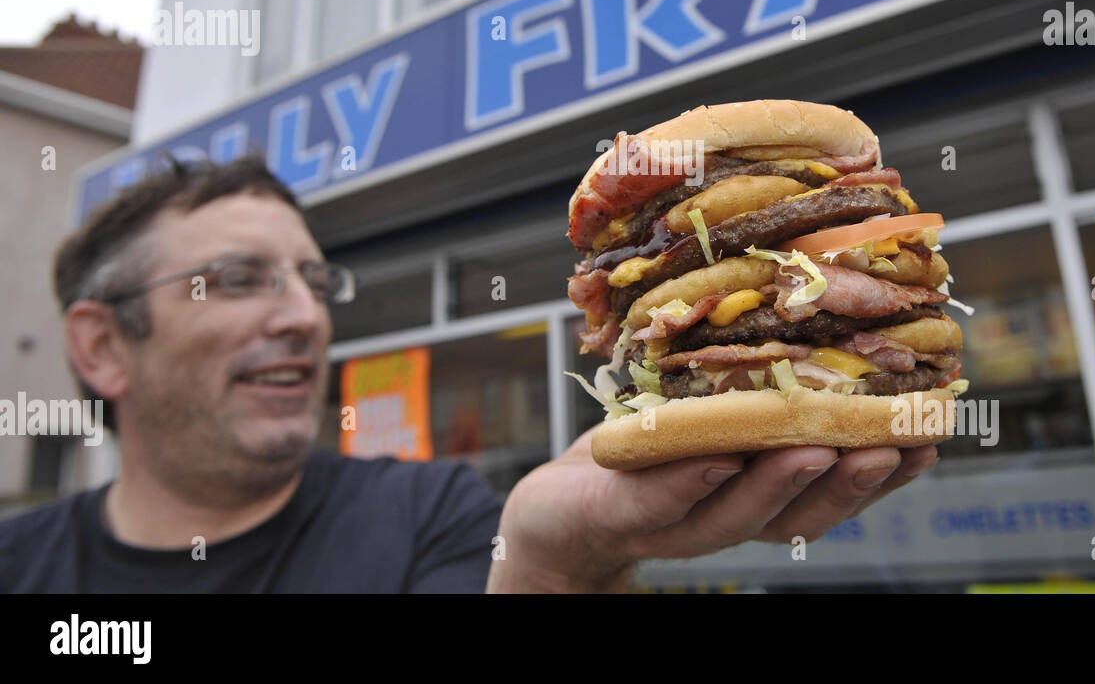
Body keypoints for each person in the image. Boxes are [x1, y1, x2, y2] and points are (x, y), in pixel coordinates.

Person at [0, 156, 937, 592]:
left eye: (313, 280)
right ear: (101, 346)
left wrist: (554, 564)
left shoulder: (435, 516)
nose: (301, 315)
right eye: (241, 280)